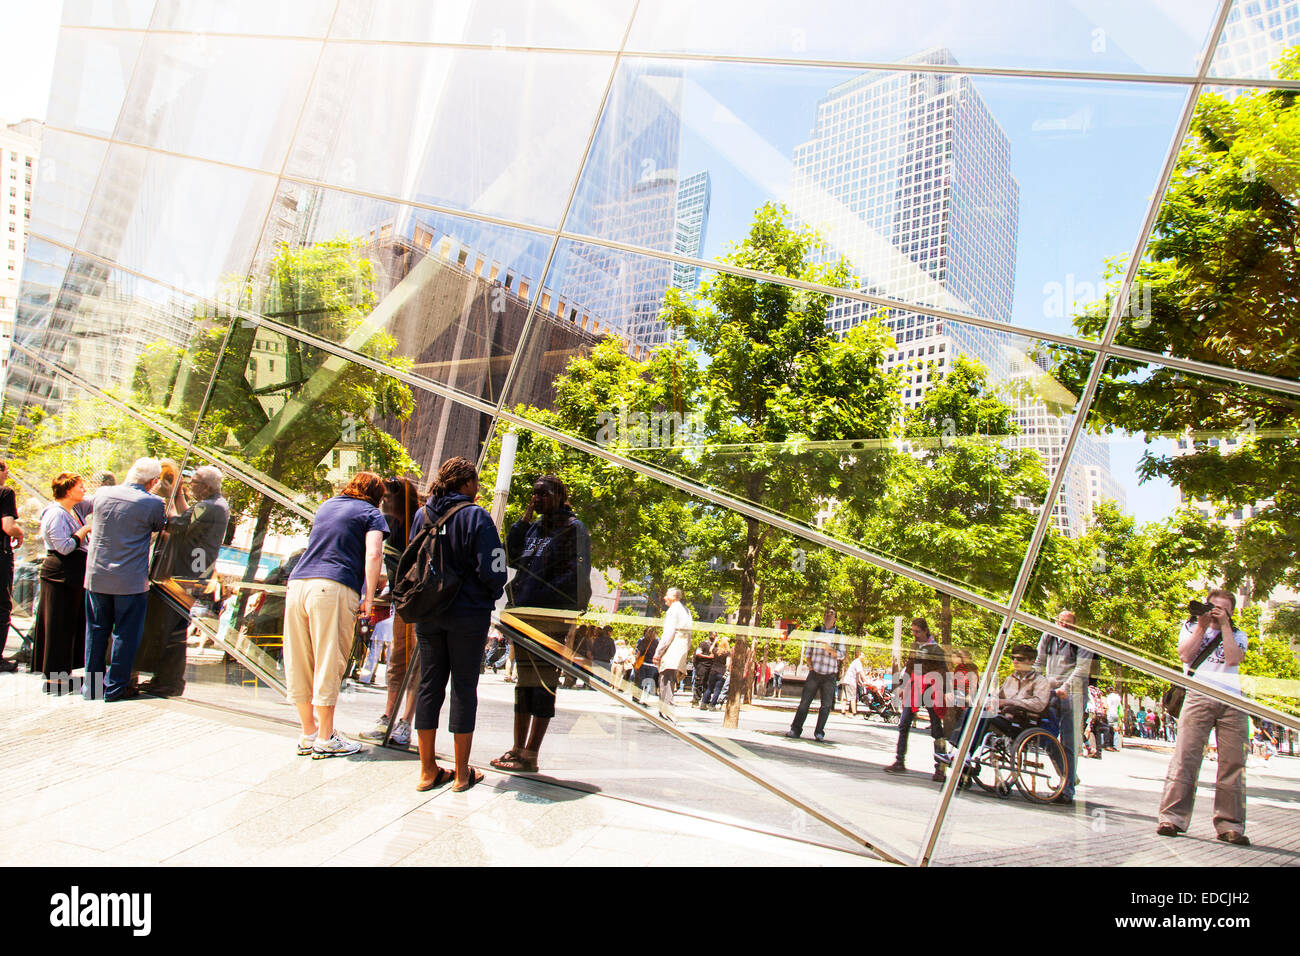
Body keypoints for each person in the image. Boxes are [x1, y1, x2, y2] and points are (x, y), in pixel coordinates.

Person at [410, 458, 508, 792]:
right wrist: (489, 594)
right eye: (475, 483)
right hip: (467, 614)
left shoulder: (421, 515)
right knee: (464, 688)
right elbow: (494, 568)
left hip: (427, 613)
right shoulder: (476, 516)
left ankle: (427, 770)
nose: (477, 489)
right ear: (465, 483)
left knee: (428, 685)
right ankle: (462, 773)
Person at [491, 474, 589, 775]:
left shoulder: (572, 529)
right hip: (523, 615)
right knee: (524, 684)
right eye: (534, 495)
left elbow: (574, 578)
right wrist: (523, 519)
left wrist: (544, 604)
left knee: (543, 685)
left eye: (543, 494)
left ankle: (531, 752)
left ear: (560, 496)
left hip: (548, 618)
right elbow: (508, 558)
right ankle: (517, 748)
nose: (538, 499)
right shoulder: (532, 527)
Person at [285, 471, 387, 758]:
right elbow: (373, 555)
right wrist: (369, 598)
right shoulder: (371, 513)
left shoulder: (327, 505)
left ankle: (308, 732)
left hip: (298, 583)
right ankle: (327, 737)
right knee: (329, 658)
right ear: (377, 497)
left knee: (300, 659)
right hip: (334, 586)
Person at [1157, 589, 1251, 845]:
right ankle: (1172, 818)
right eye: (1212, 607)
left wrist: (1225, 627)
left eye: (1223, 609)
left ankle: (1230, 825)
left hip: (1232, 700)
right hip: (1199, 696)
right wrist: (1202, 626)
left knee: (1233, 763)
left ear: (1231, 613)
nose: (1216, 612)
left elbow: (1233, 658)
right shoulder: (1190, 627)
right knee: (1186, 756)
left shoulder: (1238, 634)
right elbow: (1185, 656)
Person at [136, 466, 229, 697]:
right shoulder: (215, 505)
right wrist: (177, 495)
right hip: (192, 576)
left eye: (194, 482)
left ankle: (169, 681)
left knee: (171, 630)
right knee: (174, 629)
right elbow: (189, 518)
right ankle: (165, 679)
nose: (190, 485)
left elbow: (176, 525)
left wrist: (159, 501)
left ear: (206, 486)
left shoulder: (208, 507)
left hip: (184, 576)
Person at [83, 458, 168, 701]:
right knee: (124, 635)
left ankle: (91, 688)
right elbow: (158, 528)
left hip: (97, 576)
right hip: (130, 581)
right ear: (152, 482)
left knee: (96, 631)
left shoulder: (102, 494)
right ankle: (114, 689)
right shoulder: (153, 503)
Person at [360, 477, 422, 747]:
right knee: (397, 659)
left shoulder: (418, 520)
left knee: (414, 663)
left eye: (388, 497)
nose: (384, 501)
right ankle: (389, 715)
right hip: (401, 603)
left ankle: (406, 720)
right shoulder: (390, 525)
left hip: (419, 605)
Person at [31, 473, 91, 692]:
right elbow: (63, 546)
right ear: (68, 490)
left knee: (68, 623)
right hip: (60, 574)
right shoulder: (56, 513)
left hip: (70, 574)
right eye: (80, 486)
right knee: (58, 624)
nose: (84, 490)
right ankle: (54, 679)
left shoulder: (73, 510)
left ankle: (61, 675)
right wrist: (84, 530)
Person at [942, 643, 1052, 760]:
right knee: (972, 711)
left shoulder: (1040, 681)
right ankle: (957, 750)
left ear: (1031, 661)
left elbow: (1039, 704)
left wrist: (1009, 702)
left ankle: (966, 755)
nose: (1015, 661)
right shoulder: (1011, 679)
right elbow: (999, 698)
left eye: (1020, 659)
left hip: (1021, 722)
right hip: (1004, 717)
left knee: (982, 717)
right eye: (1013, 658)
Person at [1035, 609, 1091, 805]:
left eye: (1068, 623)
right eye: (1061, 621)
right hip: (1051, 691)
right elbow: (1039, 662)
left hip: (1073, 695)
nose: (1064, 625)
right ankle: (1068, 773)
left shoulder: (1081, 642)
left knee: (1069, 741)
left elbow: (1082, 669)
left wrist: (1065, 687)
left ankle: (1067, 790)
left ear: (1075, 625)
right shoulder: (1048, 637)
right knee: (1045, 735)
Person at [885, 618, 949, 780]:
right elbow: (910, 666)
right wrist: (902, 685)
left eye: (918, 632)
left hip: (930, 690)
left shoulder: (936, 649)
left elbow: (943, 671)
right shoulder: (915, 646)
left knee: (936, 727)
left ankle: (940, 768)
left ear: (926, 631)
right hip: (915, 689)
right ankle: (899, 761)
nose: (915, 635)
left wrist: (939, 689)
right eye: (913, 631)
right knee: (904, 723)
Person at [787, 609, 845, 742]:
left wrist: (828, 648)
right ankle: (795, 729)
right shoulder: (816, 631)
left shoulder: (839, 635)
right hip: (815, 673)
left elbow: (841, 655)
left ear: (835, 618)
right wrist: (810, 666)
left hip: (829, 675)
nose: (828, 616)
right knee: (804, 703)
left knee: (826, 706)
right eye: (826, 614)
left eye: (831, 615)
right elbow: (808, 651)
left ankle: (819, 732)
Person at [653, 588, 693, 721]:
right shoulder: (686, 611)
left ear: (674, 597)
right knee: (670, 679)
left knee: (666, 679)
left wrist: (658, 652)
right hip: (681, 649)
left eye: (666, 595)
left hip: (672, 647)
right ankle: (666, 710)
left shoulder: (672, 610)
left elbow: (668, 633)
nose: (664, 597)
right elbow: (690, 635)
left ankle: (666, 710)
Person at [0, 460, 24, 672]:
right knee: (2, 606)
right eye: (6, 470)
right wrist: (20, 533)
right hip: (1, 554)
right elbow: (8, 526)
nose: (8, 475)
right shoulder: (5, 493)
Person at [633, 625, 659, 705]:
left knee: (640, 681)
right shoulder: (657, 642)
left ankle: (637, 697)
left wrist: (635, 662)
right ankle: (645, 699)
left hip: (643, 664)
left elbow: (639, 653)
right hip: (652, 665)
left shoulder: (643, 641)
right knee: (648, 682)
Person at [702, 637, 730, 710]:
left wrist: (714, 642)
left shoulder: (715, 650)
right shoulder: (727, 653)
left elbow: (710, 650)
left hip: (713, 671)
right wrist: (727, 672)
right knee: (717, 690)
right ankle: (712, 705)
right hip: (721, 672)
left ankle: (703, 703)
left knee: (709, 688)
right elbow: (728, 664)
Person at [692, 633, 716, 708]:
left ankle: (705, 701)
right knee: (699, 682)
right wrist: (708, 657)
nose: (714, 637)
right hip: (702, 666)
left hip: (711, 667)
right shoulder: (703, 643)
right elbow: (698, 653)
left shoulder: (715, 645)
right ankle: (696, 700)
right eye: (714, 635)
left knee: (708, 684)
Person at [840, 651, 866, 716]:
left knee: (845, 697)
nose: (864, 657)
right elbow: (861, 672)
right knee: (853, 697)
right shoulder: (858, 662)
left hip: (846, 680)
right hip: (851, 681)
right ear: (859, 655)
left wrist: (861, 682)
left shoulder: (854, 662)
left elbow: (857, 675)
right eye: (863, 655)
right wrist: (866, 680)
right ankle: (854, 712)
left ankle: (843, 711)